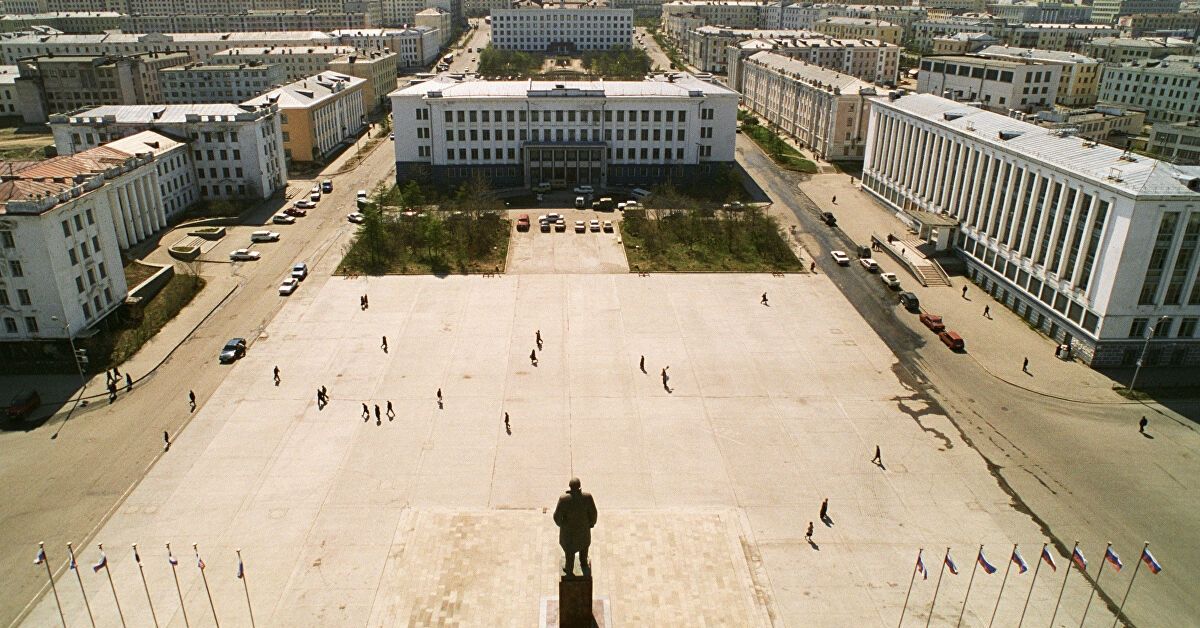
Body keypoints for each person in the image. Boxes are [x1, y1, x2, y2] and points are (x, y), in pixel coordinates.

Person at [553, 478, 598, 576]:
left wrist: (562, 525)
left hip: (568, 536)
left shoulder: (564, 500)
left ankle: (569, 569)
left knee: (569, 554)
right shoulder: (587, 497)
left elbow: (556, 517)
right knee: (584, 553)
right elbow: (594, 514)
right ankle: (584, 566)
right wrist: (591, 524)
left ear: (570, 486)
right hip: (584, 533)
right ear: (579, 486)